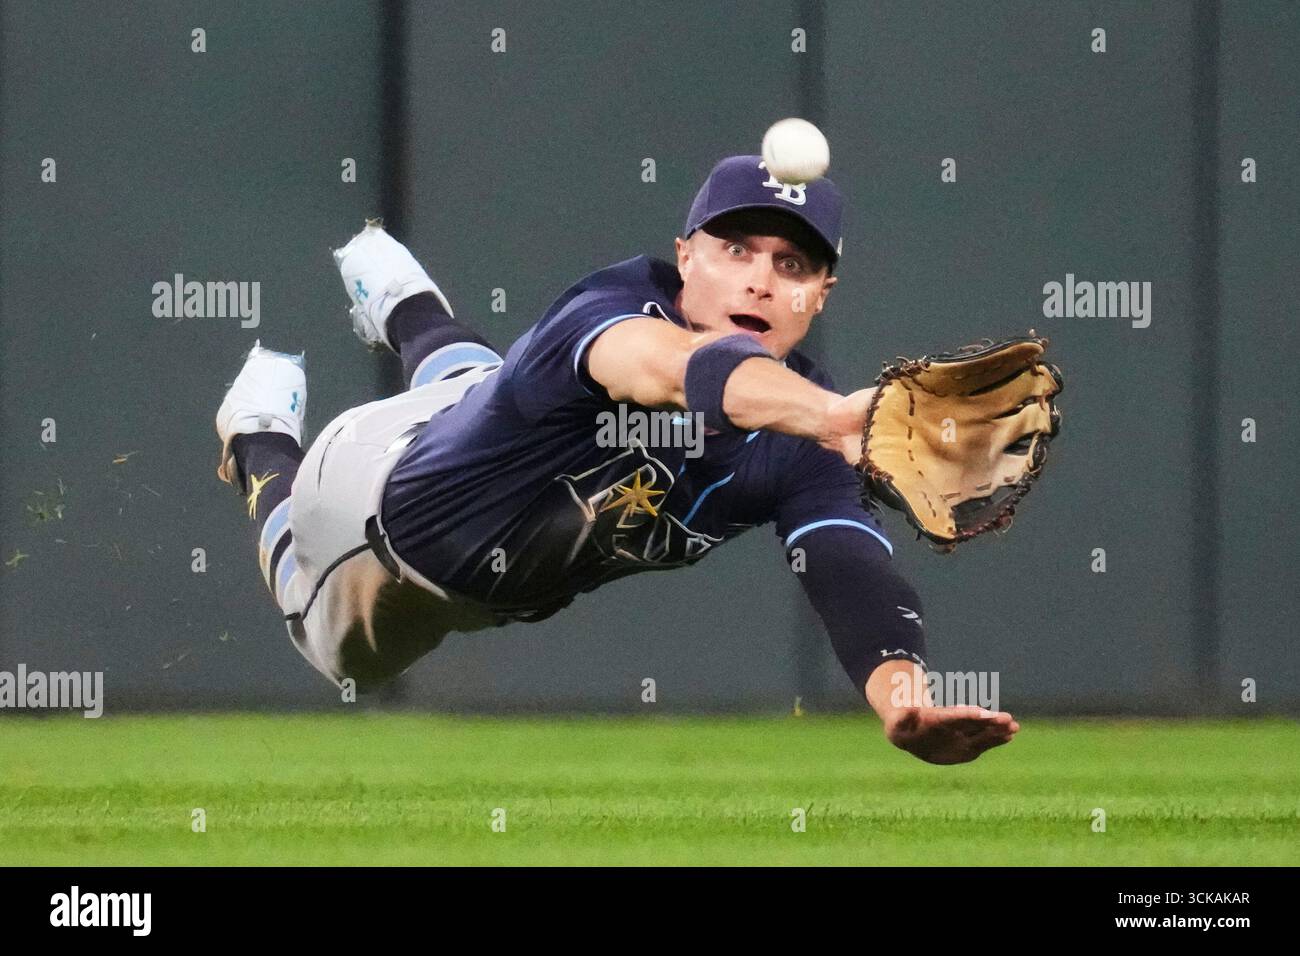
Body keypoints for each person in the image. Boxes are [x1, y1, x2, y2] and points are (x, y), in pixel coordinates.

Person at [214, 155, 1018, 764]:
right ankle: (259, 434)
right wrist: (837, 417)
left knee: (477, 382)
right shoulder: (615, 311)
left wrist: (902, 701)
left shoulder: (809, 435)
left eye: (793, 265)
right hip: (373, 521)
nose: (763, 280)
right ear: (686, 256)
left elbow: (849, 568)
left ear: (821, 294)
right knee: (329, 647)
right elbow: (673, 371)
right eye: (736, 249)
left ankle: (394, 291)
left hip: (474, 451)